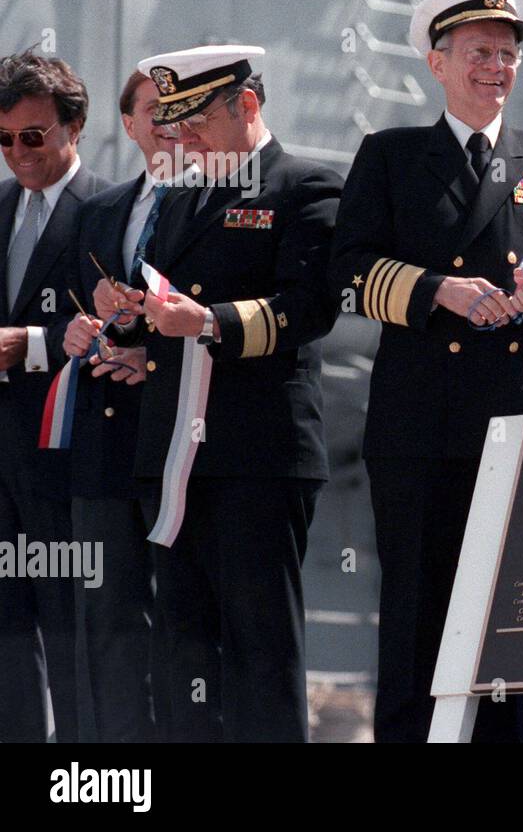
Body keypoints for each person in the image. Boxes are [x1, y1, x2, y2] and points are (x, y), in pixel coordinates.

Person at [329, 0, 523, 742]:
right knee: (417, 616)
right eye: (478, 51)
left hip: (518, 423)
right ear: (438, 62)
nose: (495, 68)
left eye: (508, 54)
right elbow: (345, 272)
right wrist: (435, 291)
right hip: (421, 426)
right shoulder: (389, 157)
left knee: (506, 618)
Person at [96, 45, 342, 740]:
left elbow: (309, 309)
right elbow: (170, 305)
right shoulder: (182, 198)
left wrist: (206, 322)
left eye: (196, 121)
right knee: (182, 648)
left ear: (250, 106)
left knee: (261, 652)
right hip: (177, 461)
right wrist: (135, 329)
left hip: (256, 459)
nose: (184, 139)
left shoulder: (305, 188)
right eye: (173, 123)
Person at [50, 70, 180, 739]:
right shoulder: (98, 213)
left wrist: (152, 360)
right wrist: (79, 331)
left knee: (183, 633)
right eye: (151, 110)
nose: (165, 121)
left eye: (178, 109)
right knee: (107, 629)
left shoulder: (217, 208)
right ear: (127, 123)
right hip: (104, 454)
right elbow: (77, 309)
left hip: (182, 449)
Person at [0, 49, 106, 741]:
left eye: (33, 136)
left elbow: (125, 327)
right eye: (4, 139)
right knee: (7, 640)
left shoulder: (110, 211)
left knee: (76, 641)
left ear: (73, 127)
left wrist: (27, 345)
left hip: (72, 461)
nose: (18, 153)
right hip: (1, 467)